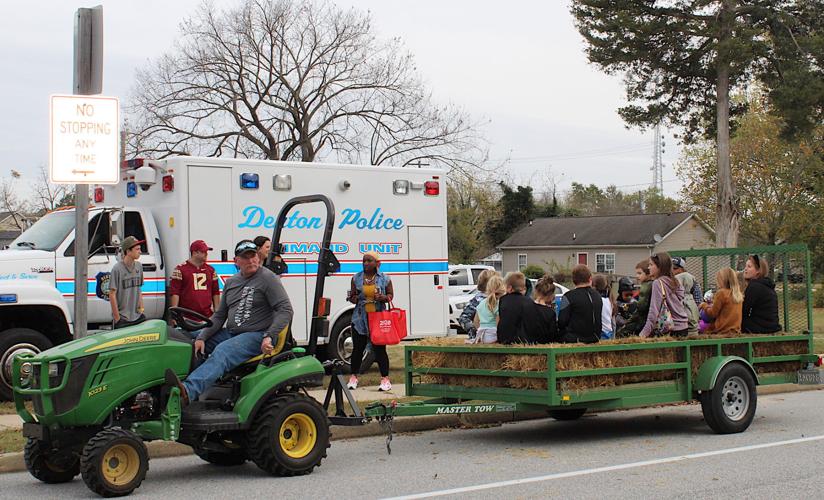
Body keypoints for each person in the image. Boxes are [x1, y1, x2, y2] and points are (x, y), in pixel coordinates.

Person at [165, 239, 294, 405]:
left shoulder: (268, 278)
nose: (251, 260)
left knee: (223, 351)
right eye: (246, 257)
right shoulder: (232, 282)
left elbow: (285, 310)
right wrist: (202, 337)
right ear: (236, 261)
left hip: (259, 335)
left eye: (253, 256)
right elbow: (219, 316)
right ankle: (175, 387)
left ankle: (187, 392)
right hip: (233, 333)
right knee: (189, 340)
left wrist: (269, 336)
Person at [347, 251, 394, 391]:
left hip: (377, 317)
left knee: (379, 350)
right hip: (360, 318)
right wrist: (354, 298)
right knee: (357, 349)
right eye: (364, 261)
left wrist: (382, 297)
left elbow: (390, 296)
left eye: (369, 261)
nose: (365, 263)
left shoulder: (385, 278)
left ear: (376, 263)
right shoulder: (356, 278)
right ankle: (353, 378)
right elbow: (352, 296)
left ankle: (385, 379)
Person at [169, 240, 220, 326]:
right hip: (186, 318)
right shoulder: (180, 269)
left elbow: (215, 292)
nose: (206, 254)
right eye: (203, 252)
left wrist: (217, 313)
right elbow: (175, 293)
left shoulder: (211, 270)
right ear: (195, 253)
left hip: (207, 317)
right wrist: (175, 315)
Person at [640, 252, 689, 338]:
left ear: (660, 267)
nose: (648, 267)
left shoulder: (658, 283)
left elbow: (653, 312)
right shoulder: (675, 281)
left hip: (670, 328)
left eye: (651, 264)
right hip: (683, 327)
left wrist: (643, 334)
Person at [497, 272, 549, 344]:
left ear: (509, 287)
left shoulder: (503, 300)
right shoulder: (529, 302)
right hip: (524, 340)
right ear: (523, 288)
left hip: (505, 339)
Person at [556, 265, 602, 344]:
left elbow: (562, 322)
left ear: (573, 280)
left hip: (574, 339)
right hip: (595, 338)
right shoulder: (597, 295)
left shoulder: (568, 296)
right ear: (590, 278)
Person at [109, 236, 146, 329]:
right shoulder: (117, 269)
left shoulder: (139, 266)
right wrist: (117, 318)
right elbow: (112, 294)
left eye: (140, 249)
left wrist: (141, 309)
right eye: (137, 249)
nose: (140, 252)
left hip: (137, 316)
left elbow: (139, 289)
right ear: (128, 251)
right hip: (123, 318)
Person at [741, 254, 781, 333]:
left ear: (758, 270)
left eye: (749, 267)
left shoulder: (755, 286)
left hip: (762, 327)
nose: (745, 269)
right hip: (771, 326)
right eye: (745, 266)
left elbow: (743, 309)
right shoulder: (764, 284)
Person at [699, 267, 743, 334]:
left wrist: (704, 305)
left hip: (722, 330)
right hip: (735, 330)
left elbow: (712, 313)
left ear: (722, 280)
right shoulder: (738, 294)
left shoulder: (721, 293)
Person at [617, 259, 654, 337]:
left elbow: (641, 308)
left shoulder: (646, 286)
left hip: (643, 321)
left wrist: (629, 322)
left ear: (648, 273)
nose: (637, 276)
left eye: (639, 273)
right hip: (649, 320)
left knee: (622, 333)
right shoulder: (652, 284)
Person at [458, 269, 497, 343]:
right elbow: (463, 318)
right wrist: (475, 331)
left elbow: (463, 318)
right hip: (484, 337)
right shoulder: (478, 300)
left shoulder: (497, 298)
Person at [473, 275, 505, 344]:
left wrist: (481, 329)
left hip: (481, 335)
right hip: (493, 335)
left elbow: (475, 321)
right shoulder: (499, 303)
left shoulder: (481, 303)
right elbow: (498, 324)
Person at [672, 257, 700, 335]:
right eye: (670, 269)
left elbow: (698, 301)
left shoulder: (692, 282)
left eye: (675, 268)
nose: (672, 271)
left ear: (682, 269)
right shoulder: (669, 282)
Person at [532, 274, 559, 342]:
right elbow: (553, 335)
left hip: (527, 344)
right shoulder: (550, 313)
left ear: (536, 291)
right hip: (545, 345)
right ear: (551, 294)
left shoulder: (527, 307)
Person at [592, 274, 614, 340]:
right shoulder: (609, 299)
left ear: (594, 286)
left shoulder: (598, 300)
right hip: (609, 332)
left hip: (602, 332)